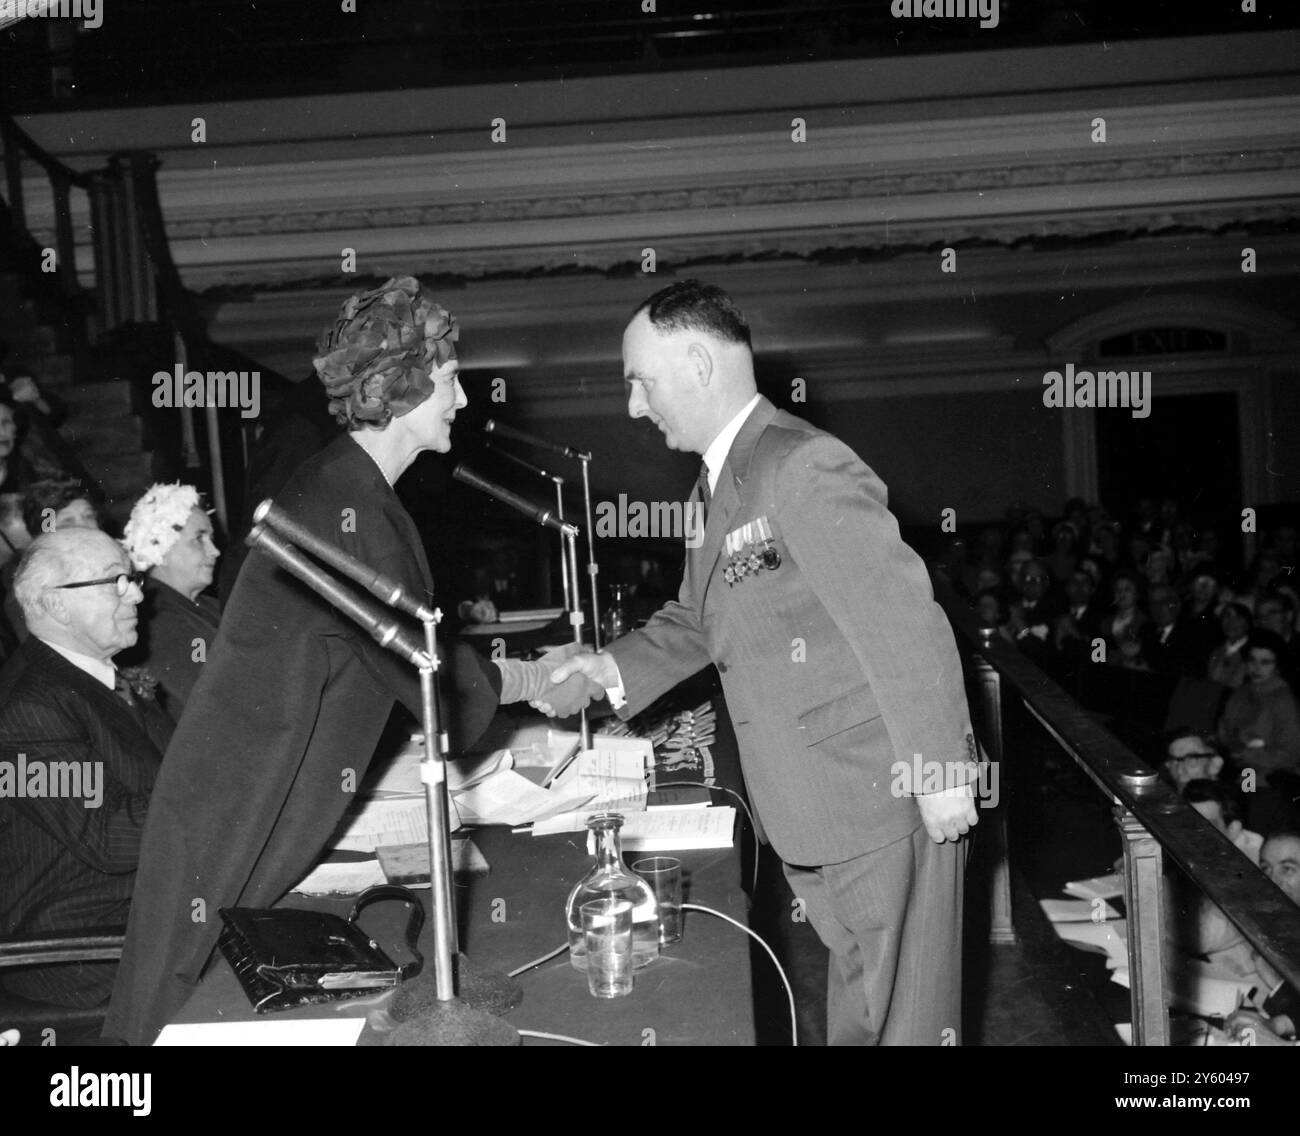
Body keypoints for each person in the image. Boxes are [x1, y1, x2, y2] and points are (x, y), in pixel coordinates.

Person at [104, 277, 600, 1045]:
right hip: (231, 808)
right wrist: (543, 681)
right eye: (448, 382)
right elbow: (437, 683)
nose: (463, 401)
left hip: (253, 794)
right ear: (395, 391)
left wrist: (532, 673)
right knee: (162, 1017)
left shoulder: (353, 488)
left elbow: (417, 646)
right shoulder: (347, 503)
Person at [548, 280, 977, 1046]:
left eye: (641, 382)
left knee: (907, 1024)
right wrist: (605, 670)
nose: (634, 408)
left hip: (881, 796)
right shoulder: (719, 484)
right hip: (821, 805)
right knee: (863, 1009)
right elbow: (694, 618)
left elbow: (906, 622)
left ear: (700, 365)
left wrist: (943, 772)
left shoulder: (800, 466)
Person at [0, 529, 173, 1009]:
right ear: (55, 605)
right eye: (114, 581)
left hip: (144, 916)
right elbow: (110, 837)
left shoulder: (96, 679)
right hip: (82, 953)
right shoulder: (25, 711)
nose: (137, 592)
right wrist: (221, 783)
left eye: (131, 578)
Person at [118, 483, 222, 721]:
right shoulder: (157, 621)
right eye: (199, 539)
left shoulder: (205, 604)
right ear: (160, 549)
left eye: (211, 538)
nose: (214, 551)